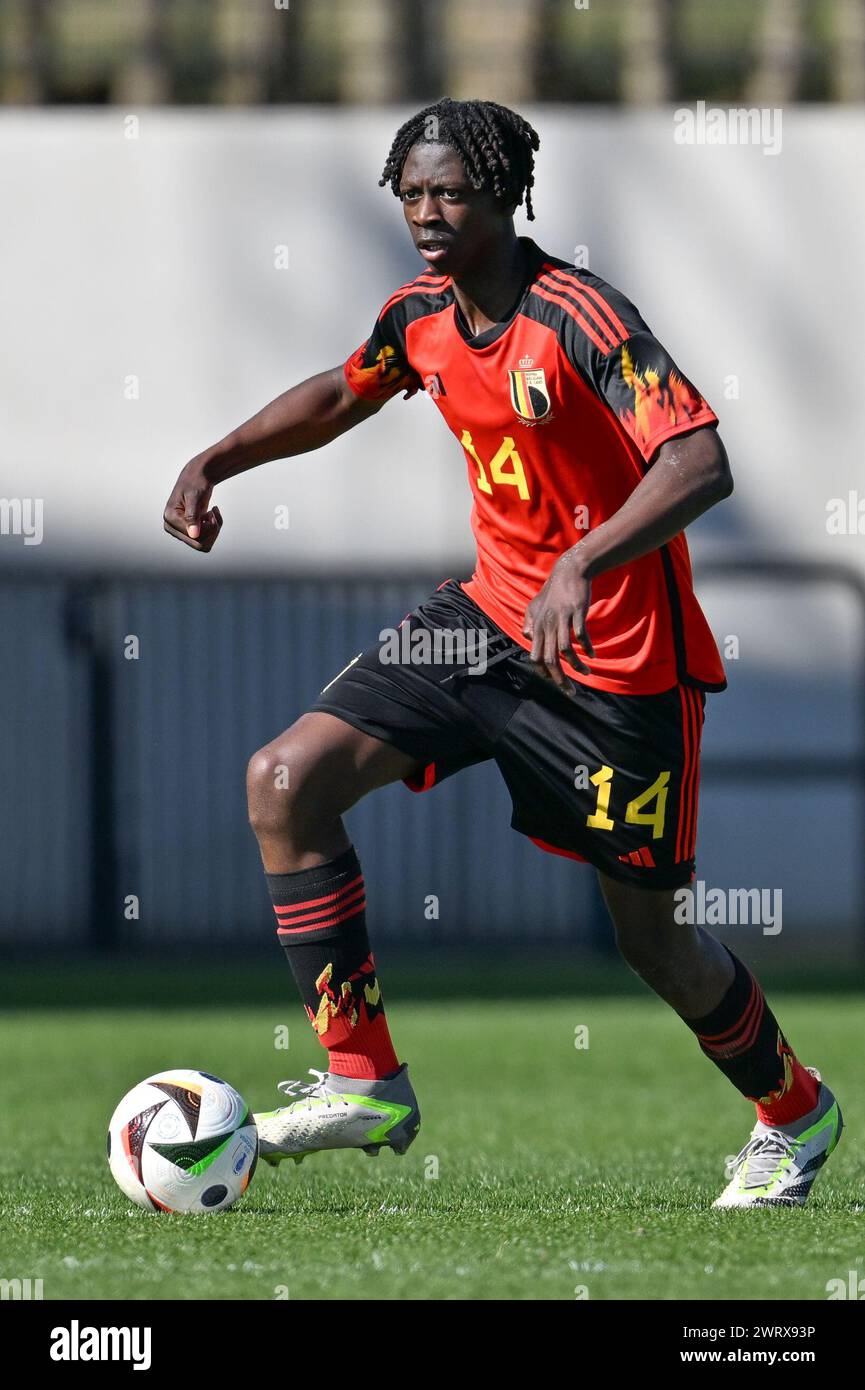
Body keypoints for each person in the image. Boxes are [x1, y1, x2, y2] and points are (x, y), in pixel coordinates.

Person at [163, 98, 841, 1207]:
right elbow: (346, 388)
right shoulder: (420, 315)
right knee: (284, 779)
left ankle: (794, 1109)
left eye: (451, 193)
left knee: (655, 943)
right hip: (483, 623)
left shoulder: (578, 313)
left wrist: (587, 560)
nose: (427, 213)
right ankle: (363, 1075)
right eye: (412, 193)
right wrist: (215, 461)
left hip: (620, 664)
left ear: (504, 195)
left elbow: (700, 462)